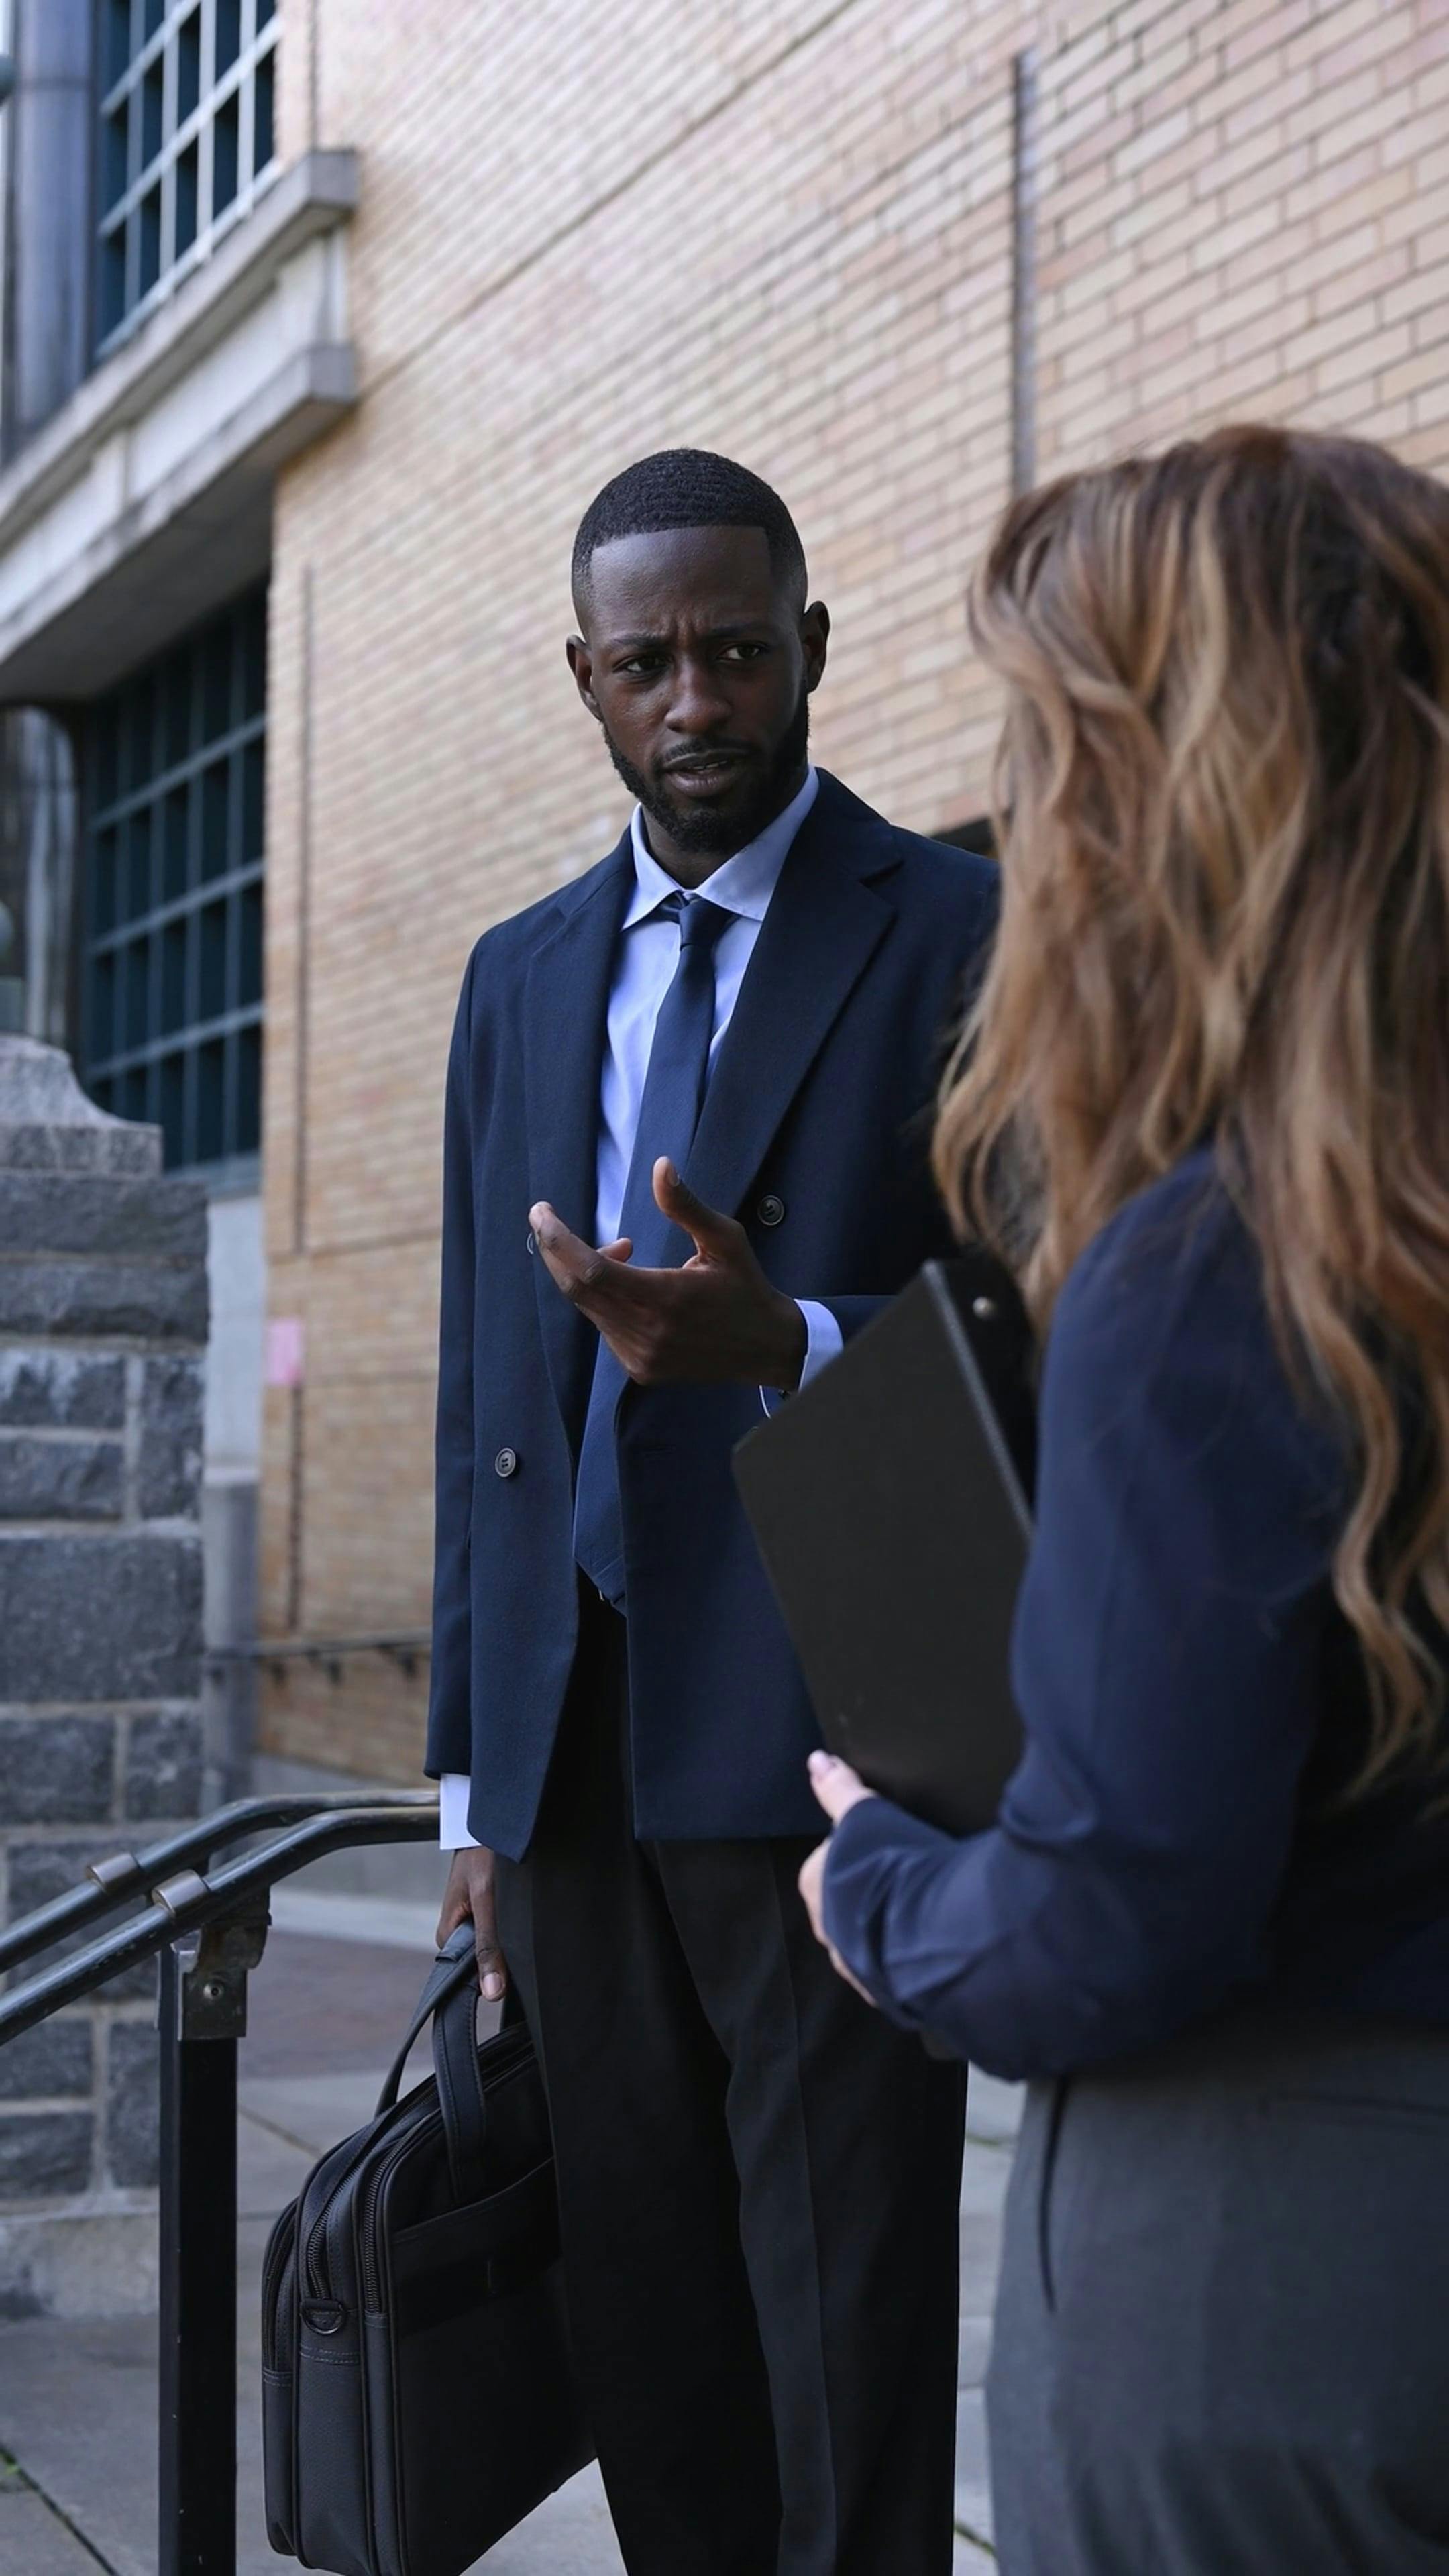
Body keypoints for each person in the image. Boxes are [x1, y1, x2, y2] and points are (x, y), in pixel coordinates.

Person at [802, 425, 1449, 2573]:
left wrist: (878, 1885)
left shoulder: (1221, 1271)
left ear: (1180, 797)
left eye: (1052, 750)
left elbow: (1106, 1922)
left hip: (1280, 2288)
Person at [427, 448, 996, 2576]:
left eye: (737, 651)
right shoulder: (517, 971)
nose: (699, 702)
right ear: (586, 679)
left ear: (811, 649)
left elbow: (1043, 1317)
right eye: (648, 663)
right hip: (569, 1750)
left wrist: (802, 1344)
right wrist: (474, 1787)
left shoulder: (957, 927)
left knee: (843, 2314)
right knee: (648, 2316)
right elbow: (495, 1382)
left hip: (832, 1739)